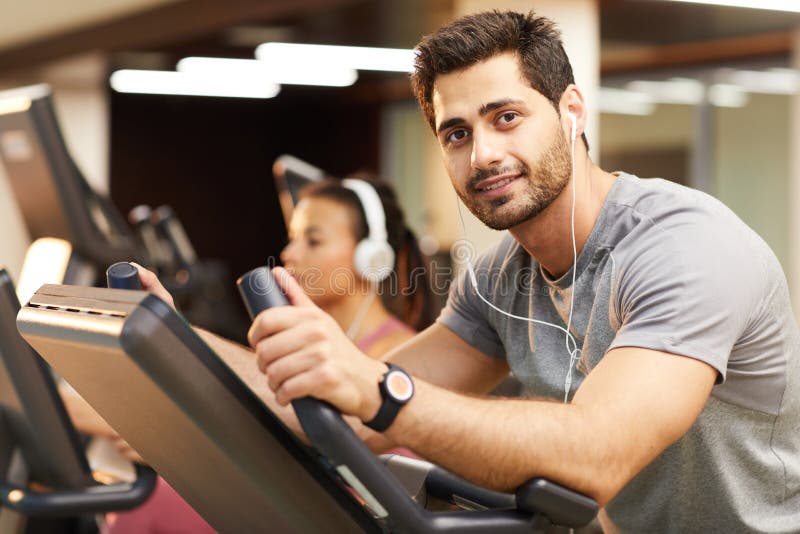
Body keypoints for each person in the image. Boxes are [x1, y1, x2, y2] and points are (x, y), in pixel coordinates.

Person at [225, 10, 798, 533]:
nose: (482, 155)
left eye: (506, 117)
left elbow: (595, 455)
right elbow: (343, 415)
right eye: (457, 133)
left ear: (572, 111)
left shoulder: (684, 248)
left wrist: (381, 390)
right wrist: (179, 343)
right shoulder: (499, 279)